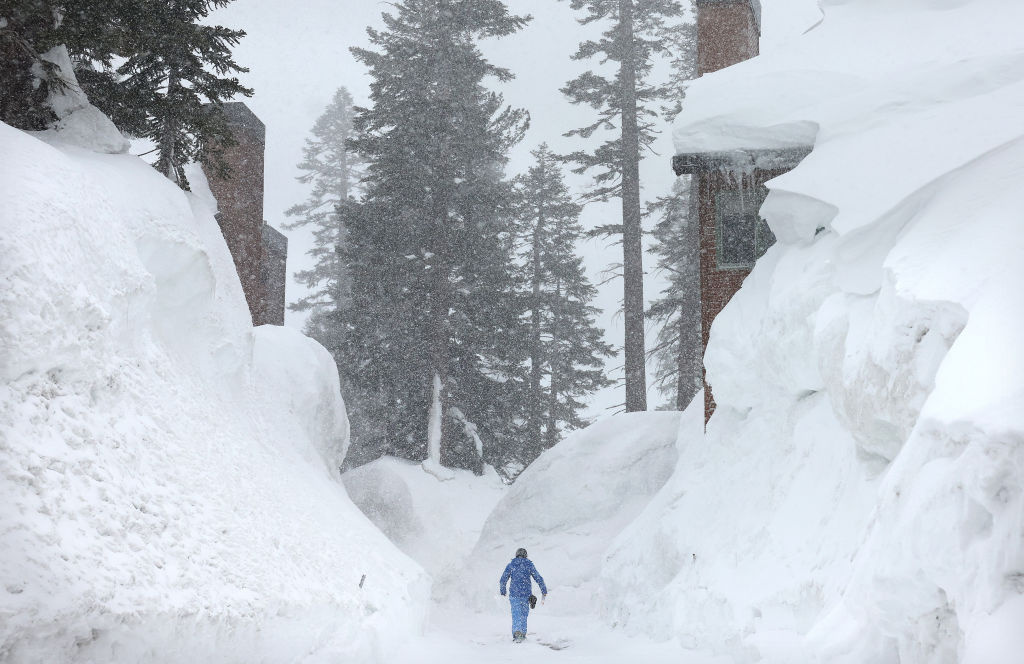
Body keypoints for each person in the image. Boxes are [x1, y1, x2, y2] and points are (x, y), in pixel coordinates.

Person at [498, 547, 547, 643]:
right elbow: (538, 578)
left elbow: (503, 580)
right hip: (526, 594)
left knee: (516, 613)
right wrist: (543, 590)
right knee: (524, 615)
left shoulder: (511, 565)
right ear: (526, 555)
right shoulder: (529, 565)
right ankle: (523, 633)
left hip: (514, 594)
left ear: (516, 555)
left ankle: (517, 633)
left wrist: (503, 591)